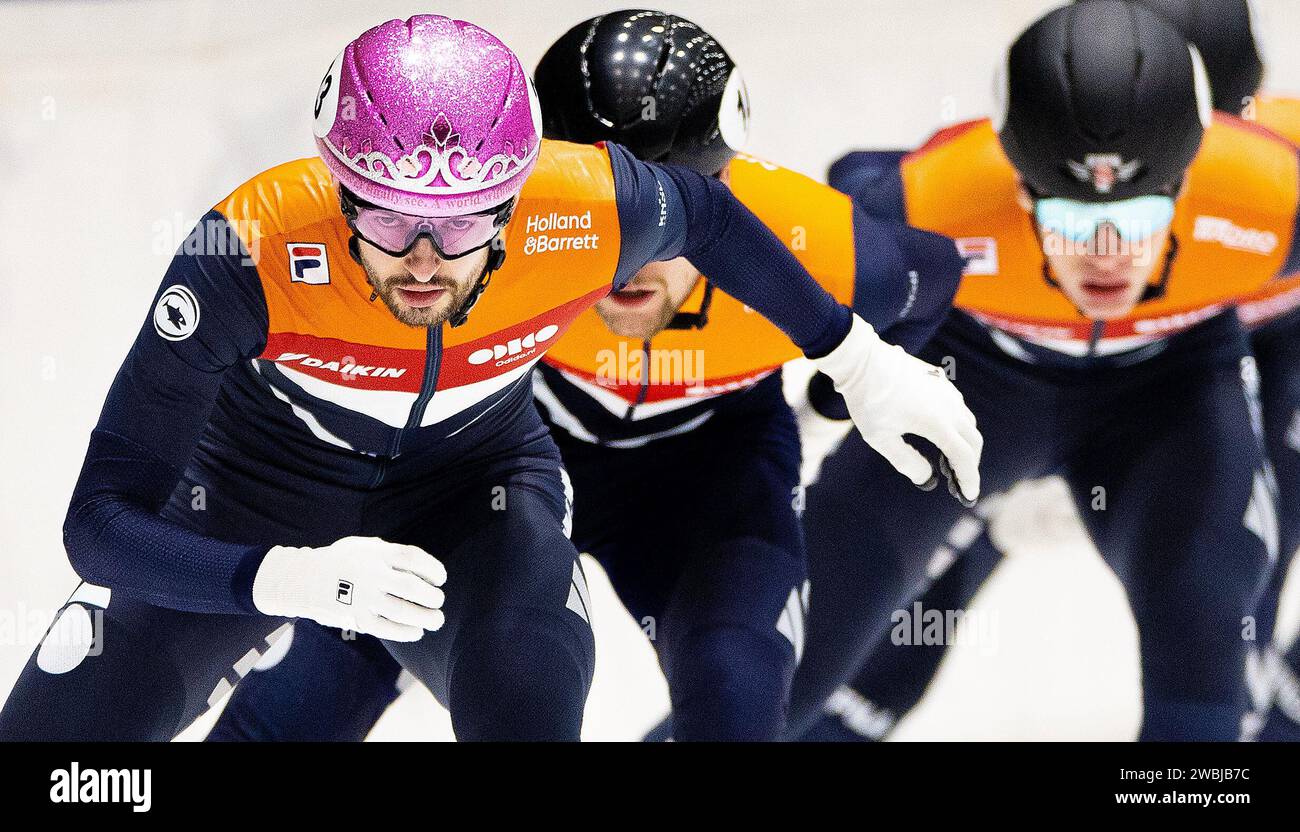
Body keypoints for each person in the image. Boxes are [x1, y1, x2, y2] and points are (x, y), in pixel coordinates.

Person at [0, 14, 980, 742]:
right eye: (385, 219)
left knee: (534, 697)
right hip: (259, 494)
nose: (424, 260)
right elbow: (99, 524)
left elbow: (715, 217)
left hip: (473, 494)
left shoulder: (585, 204)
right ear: (334, 188)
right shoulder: (244, 250)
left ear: (522, 193)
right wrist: (277, 577)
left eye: (468, 222)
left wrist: (859, 364)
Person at [803, 0, 1300, 744]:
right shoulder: (936, 199)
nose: (1106, 251)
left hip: (1179, 387)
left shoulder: (1271, 197)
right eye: (1072, 219)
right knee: (805, 663)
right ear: (1024, 182)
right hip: (984, 384)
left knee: (1211, 642)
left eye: (1138, 219)